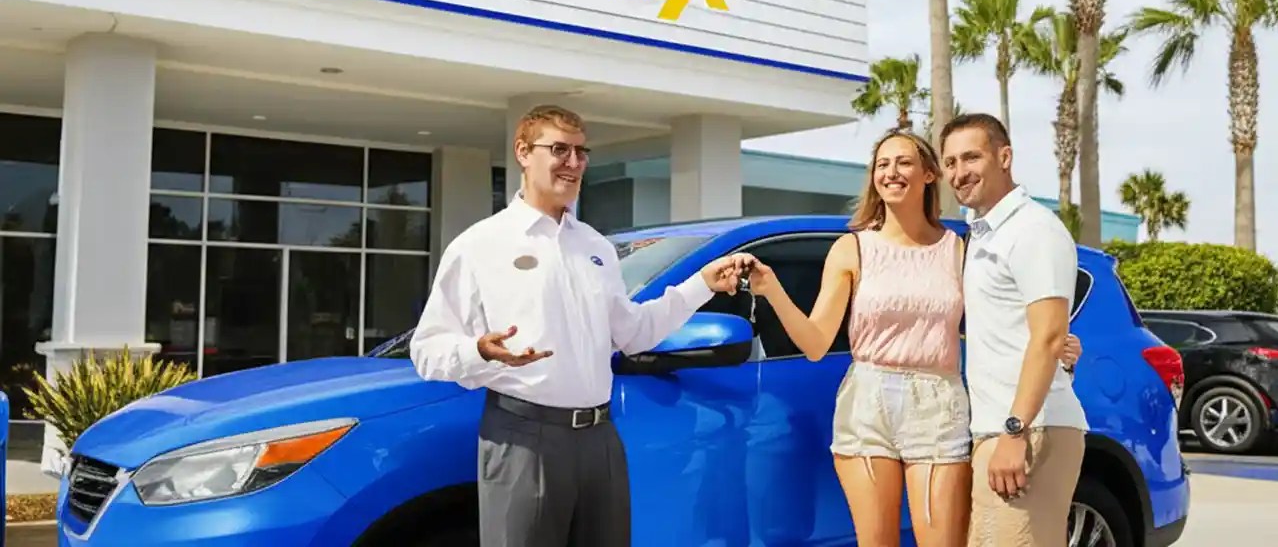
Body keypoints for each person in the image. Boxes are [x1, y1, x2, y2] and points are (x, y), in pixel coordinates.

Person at [408, 104, 755, 547]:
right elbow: (427, 349)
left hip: (600, 441)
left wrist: (701, 284)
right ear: (523, 152)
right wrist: (479, 350)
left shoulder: (596, 247)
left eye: (580, 152)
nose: (573, 163)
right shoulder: (479, 246)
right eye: (559, 150)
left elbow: (634, 332)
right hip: (523, 439)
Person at [744, 128, 1080, 547]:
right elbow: (815, 344)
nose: (891, 172)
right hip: (866, 403)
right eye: (882, 165)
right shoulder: (852, 249)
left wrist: (1059, 342)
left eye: (904, 162)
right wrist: (771, 288)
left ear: (928, 175)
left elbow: (998, 313)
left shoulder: (960, 248)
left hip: (938, 406)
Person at [939, 113, 1089, 547]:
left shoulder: (1033, 229)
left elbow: (1048, 335)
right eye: (950, 162)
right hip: (1003, 430)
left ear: (1004, 157)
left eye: (971, 157)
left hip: (1028, 430)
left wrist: (1014, 431)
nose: (959, 172)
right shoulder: (984, 234)